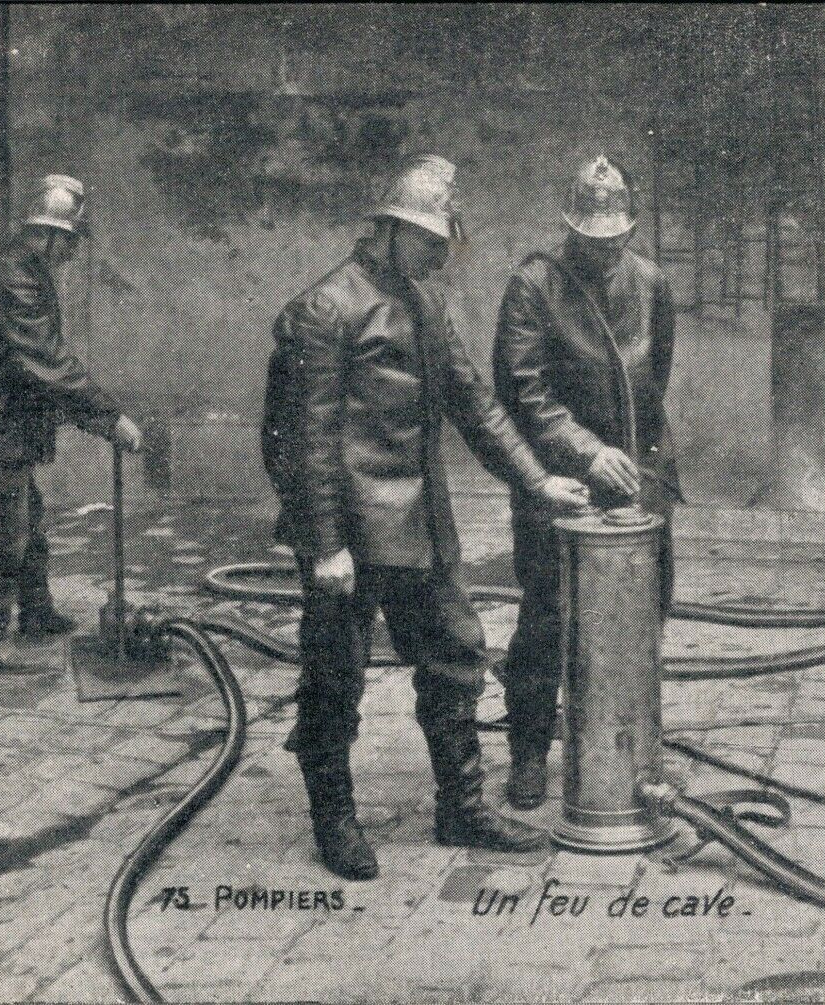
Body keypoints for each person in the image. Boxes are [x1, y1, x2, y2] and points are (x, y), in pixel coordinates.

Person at [260, 157, 589, 880]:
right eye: (430, 240)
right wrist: (325, 544)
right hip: (348, 534)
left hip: (420, 523)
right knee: (334, 678)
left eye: (445, 241)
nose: (442, 254)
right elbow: (303, 442)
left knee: (456, 653)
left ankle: (460, 808)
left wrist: (539, 481)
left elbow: (477, 406)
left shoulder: (427, 304)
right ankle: (335, 820)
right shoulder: (324, 309)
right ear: (389, 231)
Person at [491, 155, 681, 811]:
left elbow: (654, 380)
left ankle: (624, 747)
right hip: (561, 481)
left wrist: (635, 465)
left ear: (630, 230)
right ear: (571, 229)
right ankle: (527, 750)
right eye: (593, 239)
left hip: (638, 476)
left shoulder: (651, 284)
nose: (606, 250)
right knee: (547, 618)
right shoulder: (534, 286)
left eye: (616, 238)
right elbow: (523, 390)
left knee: (642, 616)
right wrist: (587, 451)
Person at [0, 175, 144, 673]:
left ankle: (36, 613)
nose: (71, 254)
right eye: (69, 242)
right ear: (49, 235)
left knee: (28, 520)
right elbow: (47, 361)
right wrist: (109, 418)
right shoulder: (13, 278)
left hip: (2, 423)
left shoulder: (26, 267)